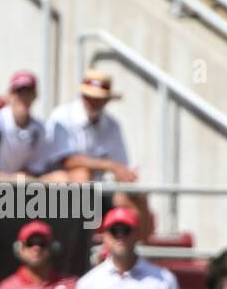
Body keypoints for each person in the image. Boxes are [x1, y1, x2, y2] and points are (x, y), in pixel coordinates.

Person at [42, 69, 152, 238]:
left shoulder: (112, 125)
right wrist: (108, 165)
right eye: (91, 97)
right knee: (81, 177)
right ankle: (80, 242)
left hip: (98, 191)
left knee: (137, 197)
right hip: (59, 191)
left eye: (99, 98)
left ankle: (136, 254)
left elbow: (120, 165)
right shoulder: (62, 117)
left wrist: (126, 176)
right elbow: (66, 161)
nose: (94, 102)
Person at [0, 71, 50, 176]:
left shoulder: (39, 130)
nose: (23, 98)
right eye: (19, 92)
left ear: (35, 95)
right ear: (9, 95)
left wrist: (17, 180)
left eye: (28, 92)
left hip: (19, 187)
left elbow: (35, 169)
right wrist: (8, 179)